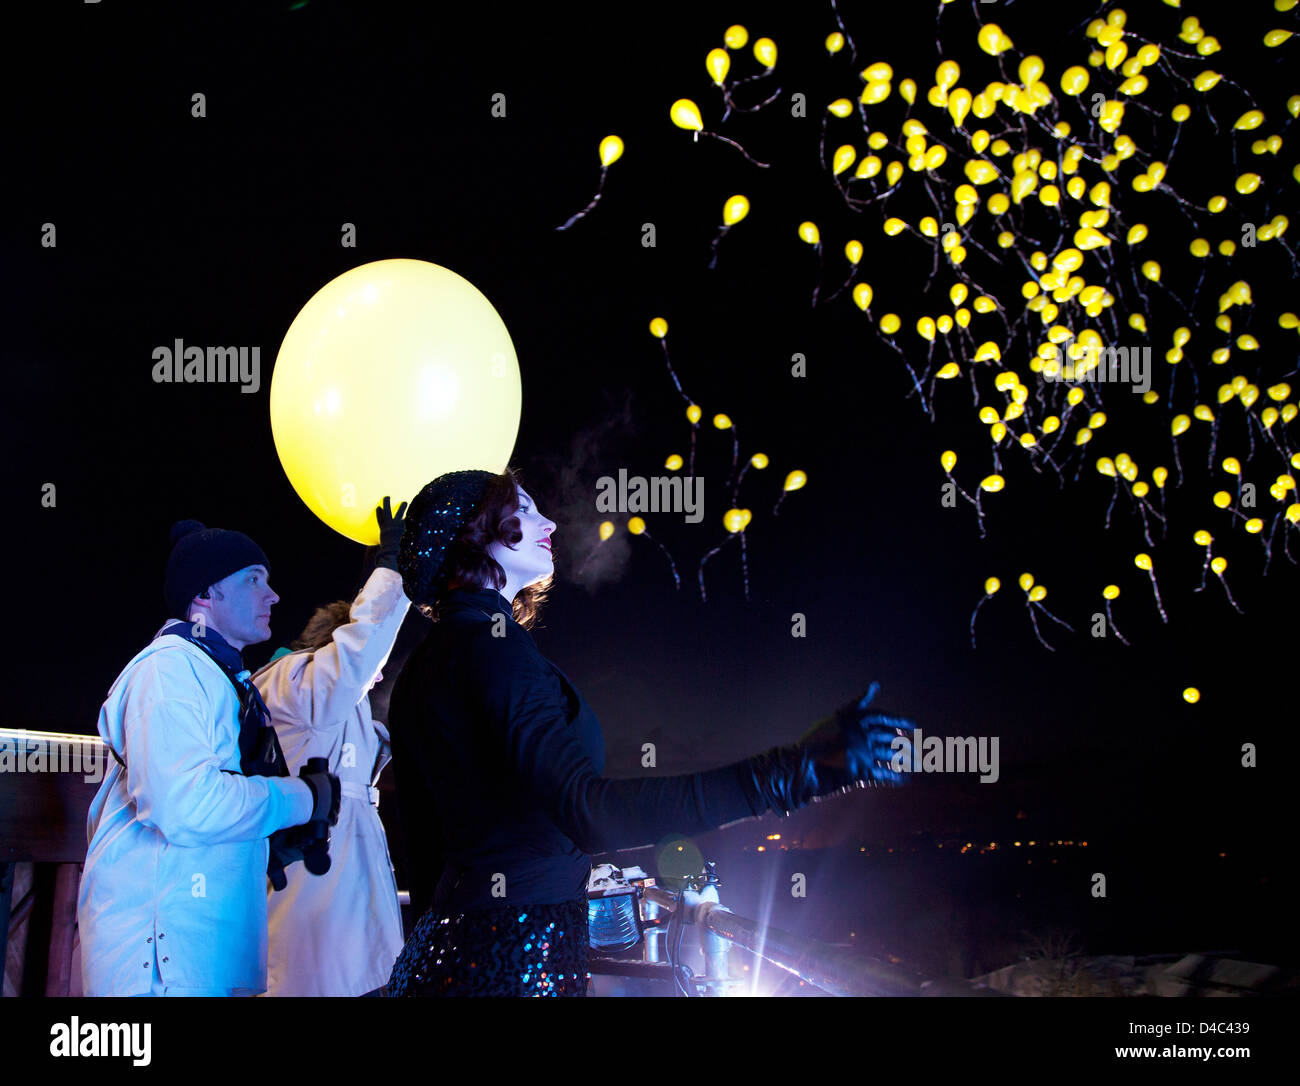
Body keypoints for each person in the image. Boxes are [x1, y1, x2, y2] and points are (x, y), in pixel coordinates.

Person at [384, 468, 913, 997]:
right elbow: (593, 812)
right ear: (475, 532)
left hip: (446, 956)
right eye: (523, 508)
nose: (547, 521)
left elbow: (426, 855)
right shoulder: (492, 648)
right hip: (507, 963)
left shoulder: (423, 667)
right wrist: (792, 774)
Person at [77, 520, 340, 996]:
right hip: (163, 962)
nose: (273, 595)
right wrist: (298, 799)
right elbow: (184, 806)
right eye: (252, 579)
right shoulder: (170, 670)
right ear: (204, 596)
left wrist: (267, 839)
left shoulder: (217, 675)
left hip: (201, 955)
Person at [254, 498, 410, 997]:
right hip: (314, 931)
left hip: (355, 940)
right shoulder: (292, 684)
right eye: (373, 663)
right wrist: (391, 571)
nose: (378, 674)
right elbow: (356, 658)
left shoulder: (340, 707)